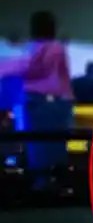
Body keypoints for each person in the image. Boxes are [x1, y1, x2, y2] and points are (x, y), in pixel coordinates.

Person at [0, 11, 73, 191]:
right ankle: (44, 181)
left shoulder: (52, 47)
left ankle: (48, 182)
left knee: (45, 145)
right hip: (39, 102)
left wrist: (6, 67)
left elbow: (36, 68)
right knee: (37, 145)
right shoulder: (37, 47)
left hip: (46, 103)